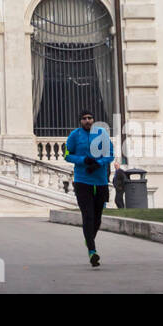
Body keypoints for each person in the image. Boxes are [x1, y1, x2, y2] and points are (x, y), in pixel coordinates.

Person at [66, 109, 114, 267]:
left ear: (94, 120)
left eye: (90, 118)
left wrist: (98, 163)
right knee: (88, 216)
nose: (87, 120)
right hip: (82, 181)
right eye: (84, 118)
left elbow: (110, 154)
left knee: (97, 218)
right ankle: (92, 251)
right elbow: (67, 155)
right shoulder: (74, 135)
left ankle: (89, 239)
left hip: (100, 181)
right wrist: (83, 160)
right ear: (80, 121)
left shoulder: (102, 134)